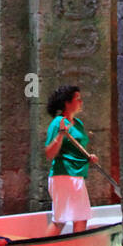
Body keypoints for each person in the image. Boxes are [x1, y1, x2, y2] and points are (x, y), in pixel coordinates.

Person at [44, 84, 96, 235]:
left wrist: (88, 158)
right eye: (77, 99)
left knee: (80, 218)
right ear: (67, 103)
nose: (81, 102)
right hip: (63, 176)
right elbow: (49, 153)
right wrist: (60, 135)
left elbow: (76, 150)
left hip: (76, 176)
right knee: (60, 220)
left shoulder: (78, 124)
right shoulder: (58, 122)